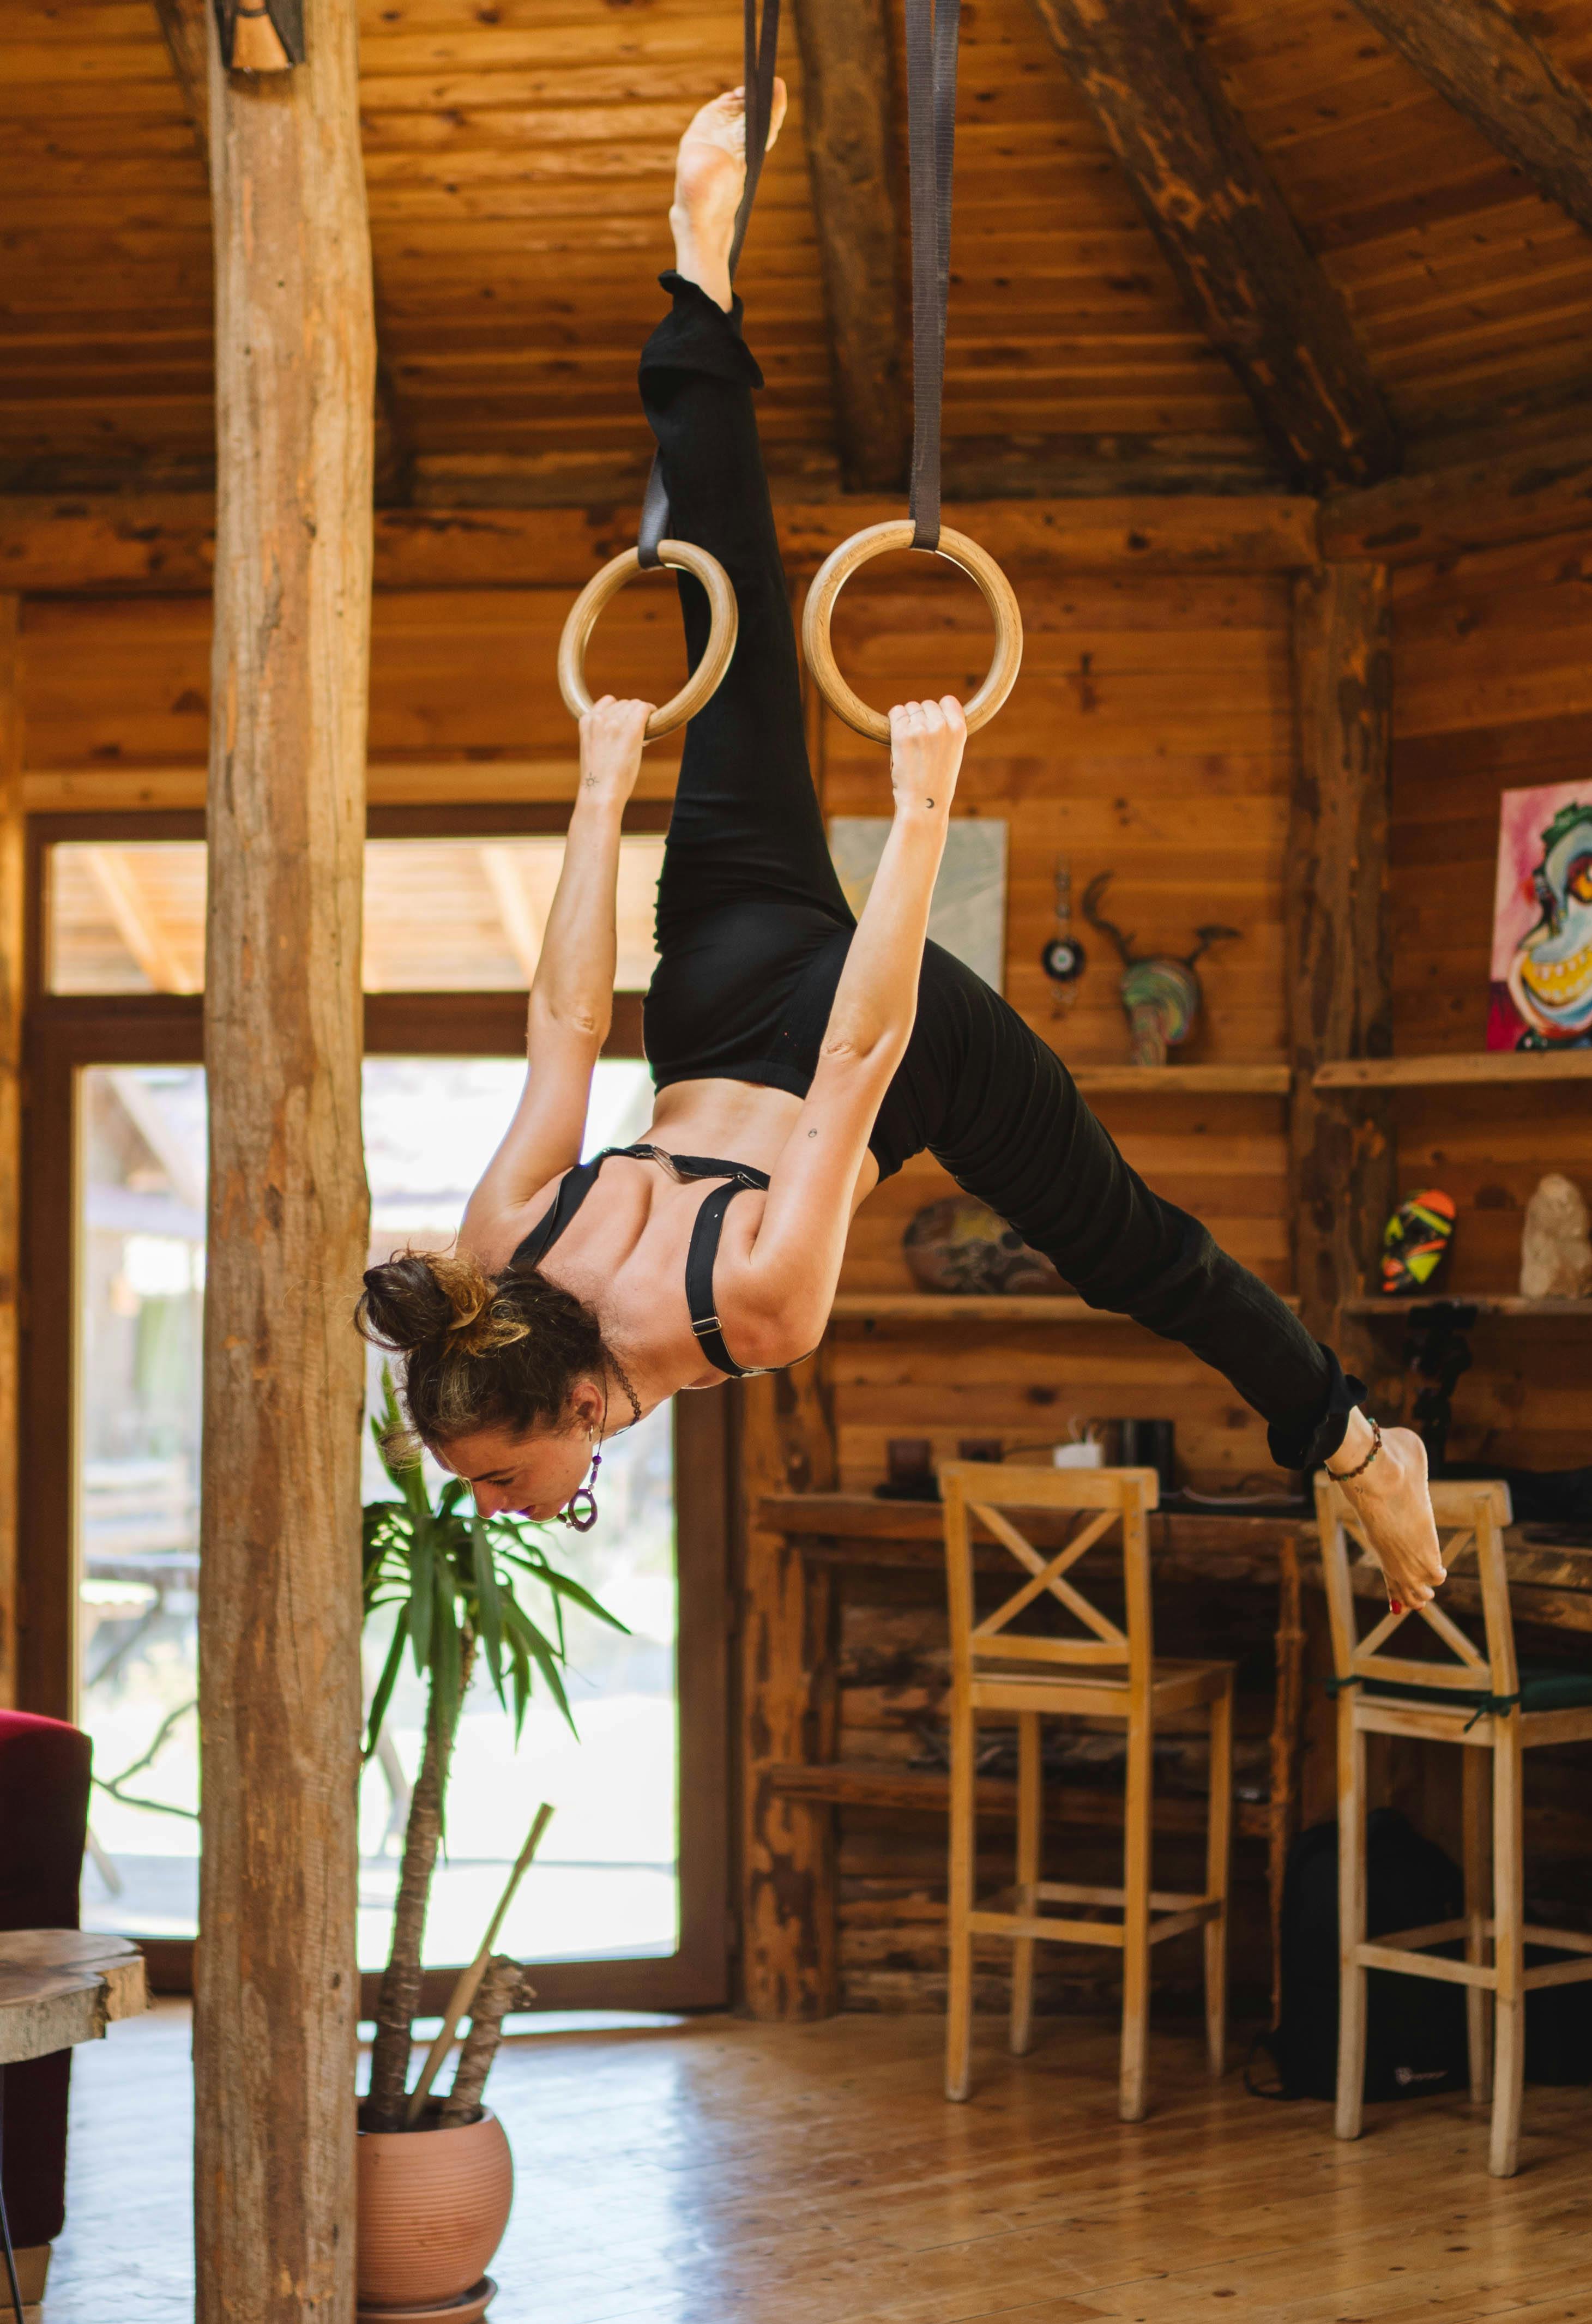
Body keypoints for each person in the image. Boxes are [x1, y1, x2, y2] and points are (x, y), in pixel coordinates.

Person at [357, 86, 1444, 1609]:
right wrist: (897, 806)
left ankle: (1349, 1443)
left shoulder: (718, 1300)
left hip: (791, 1013)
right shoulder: (650, 1281)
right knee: (1119, 1244)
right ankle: (1351, 1449)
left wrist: (611, 789)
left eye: (489, 1480)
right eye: (486, 1486)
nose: (497, 1507)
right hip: (773, 1012)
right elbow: (807, 1054)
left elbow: (608, 1030)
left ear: (578, 1412)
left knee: (1140, 1250)